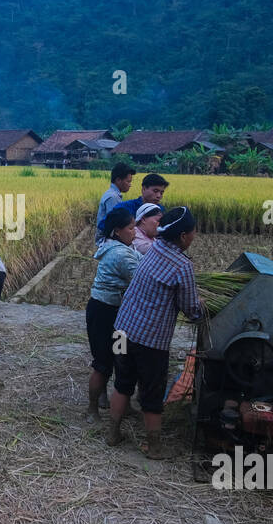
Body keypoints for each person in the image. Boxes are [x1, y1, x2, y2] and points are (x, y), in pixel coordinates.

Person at [108, 206, 202, 459]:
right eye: (193, 233)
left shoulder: (153, 248)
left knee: (123, 383)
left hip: (122, 330)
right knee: (152, 391)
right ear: (183, 236)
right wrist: (203, 312)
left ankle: (113, 433)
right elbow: (192, 308)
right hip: (150, 341)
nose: (194, 237)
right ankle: (154, 446)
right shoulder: (182, 266)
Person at [87, 208, 140, 421]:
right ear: (118, 231)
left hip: (118, 314)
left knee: (120, 357)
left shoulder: (118, 247)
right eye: (130, 227)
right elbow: (142, 279)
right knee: (103, 362)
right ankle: (92, 409)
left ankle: (114, 403)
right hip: (105, 314)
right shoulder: (121, 254)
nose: (134, 231)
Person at [96, 163, 135, 245]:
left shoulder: (112, 194)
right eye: (128, 181)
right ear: (118, 180)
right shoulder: (113, 197)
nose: (130, 185)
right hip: (106, 239)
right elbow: (115, 223)